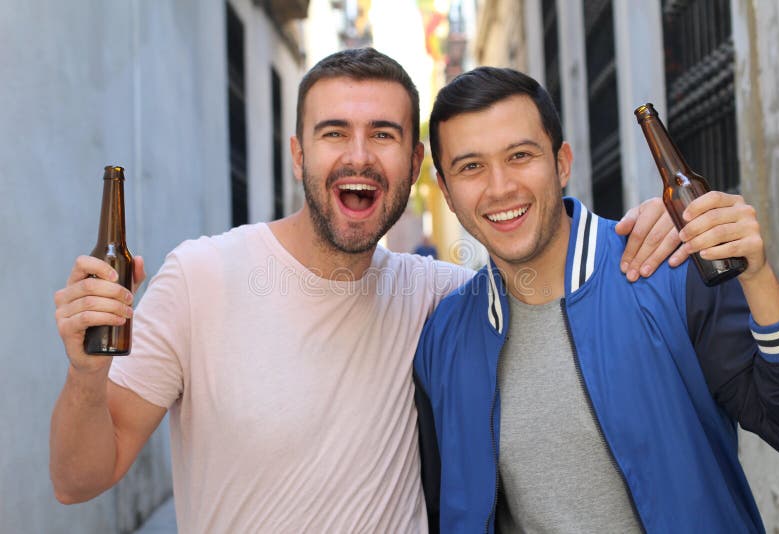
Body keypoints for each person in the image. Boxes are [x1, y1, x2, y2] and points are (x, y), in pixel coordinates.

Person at [51, 49, 676, 532]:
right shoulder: (200, 277)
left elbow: (552, 268)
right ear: (298, 154)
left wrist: (647, 229)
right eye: (332, 133)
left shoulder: (442, 297)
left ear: (415, 163)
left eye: (383, 133)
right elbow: (78, 480)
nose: (359, 156)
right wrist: (85, 375)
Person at [413, 66, 779, 533]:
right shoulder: (444, 338)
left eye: (520, 155)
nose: (500, 188)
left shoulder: (670, 274)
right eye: (471, 166)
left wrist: (757, 277)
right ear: (447, 192)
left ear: (561, 163)